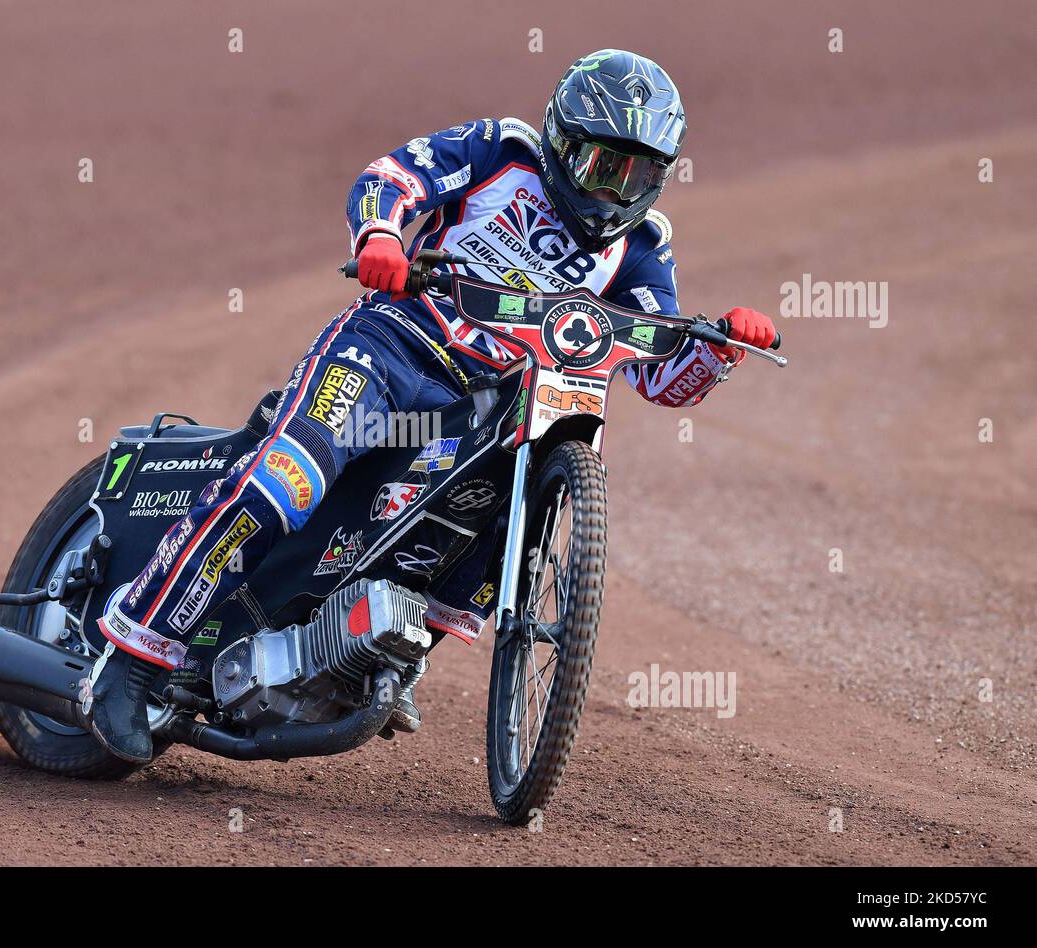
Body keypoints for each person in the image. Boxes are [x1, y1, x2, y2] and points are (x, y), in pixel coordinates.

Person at [85, 49, 779, 764]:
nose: (617, 191)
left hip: (479, 406)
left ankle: (380, 652)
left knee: (501, 500)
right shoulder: (501, 152)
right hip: (392, 346)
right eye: (606, 166)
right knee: (286, 481)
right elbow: (392, 177)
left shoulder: (642, 251)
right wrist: (381, 235)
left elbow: (657, 375)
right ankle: (133, 658)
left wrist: (717, 350)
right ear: (563, 144)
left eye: (641, 176)